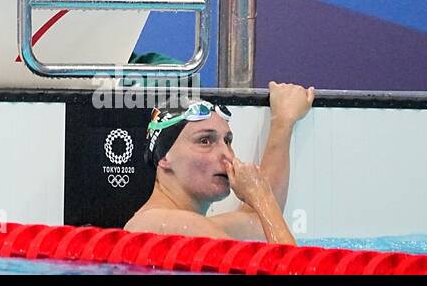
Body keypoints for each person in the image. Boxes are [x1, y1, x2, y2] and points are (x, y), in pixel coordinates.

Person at [124, 82, 315, 243]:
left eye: (228, 141)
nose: (227, 155)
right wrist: (263, 199)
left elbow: (257, 221)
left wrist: (282, 122)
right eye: (205, 141)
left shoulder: (181, 223)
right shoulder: (163, 225)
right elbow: (293, 270)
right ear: (164, 157)